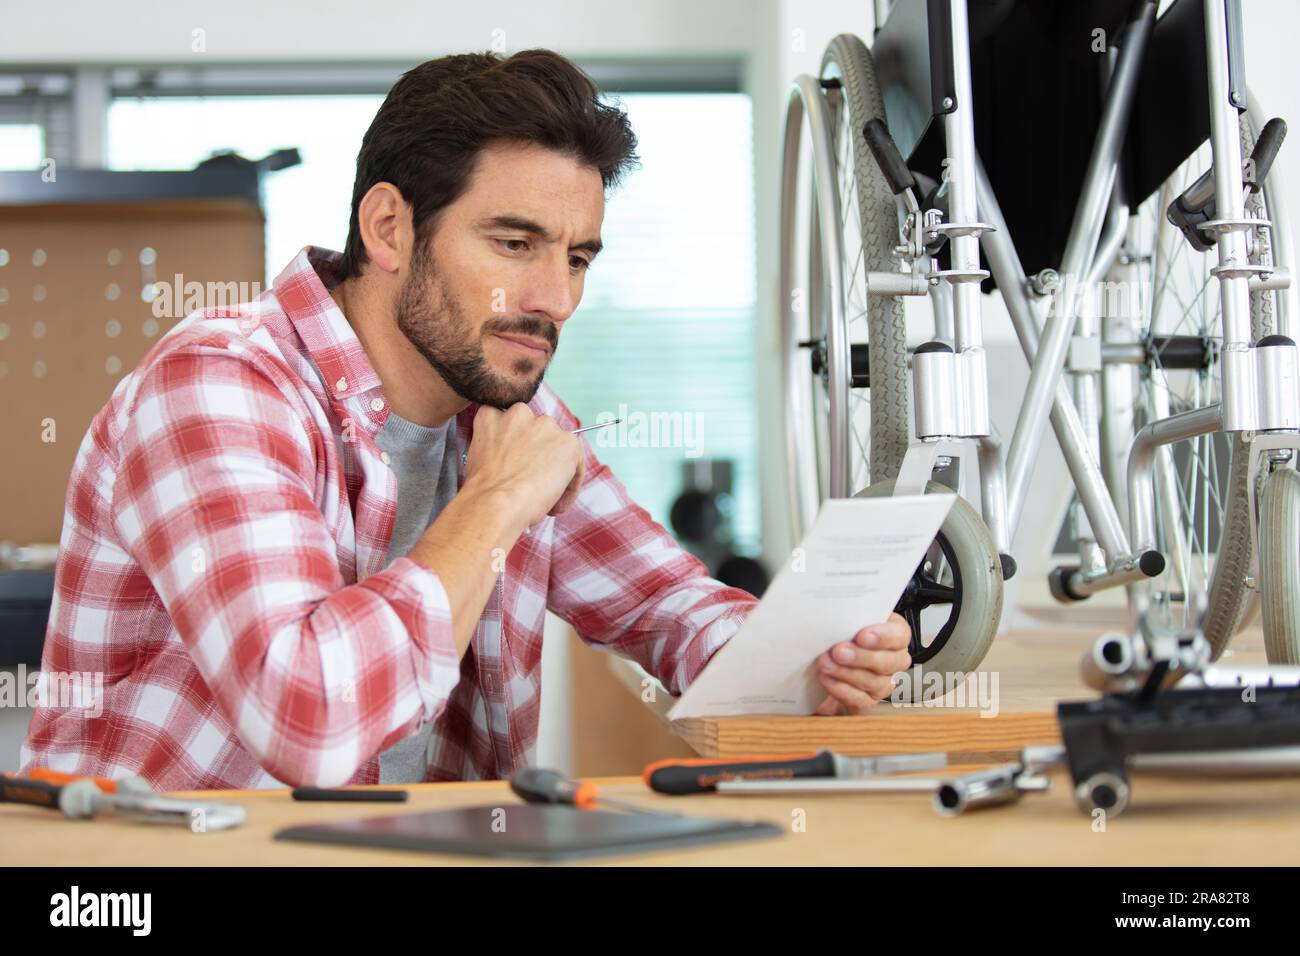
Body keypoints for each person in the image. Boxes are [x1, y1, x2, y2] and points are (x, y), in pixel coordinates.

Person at [22, 49, 912, 790]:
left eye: (577, 258)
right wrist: (490, 505)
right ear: (389, 228)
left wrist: (812, 659)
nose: (554, 299)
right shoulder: (218, 386)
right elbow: (310, 722)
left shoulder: (507, 407)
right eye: (514, 244)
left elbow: (670, 608)